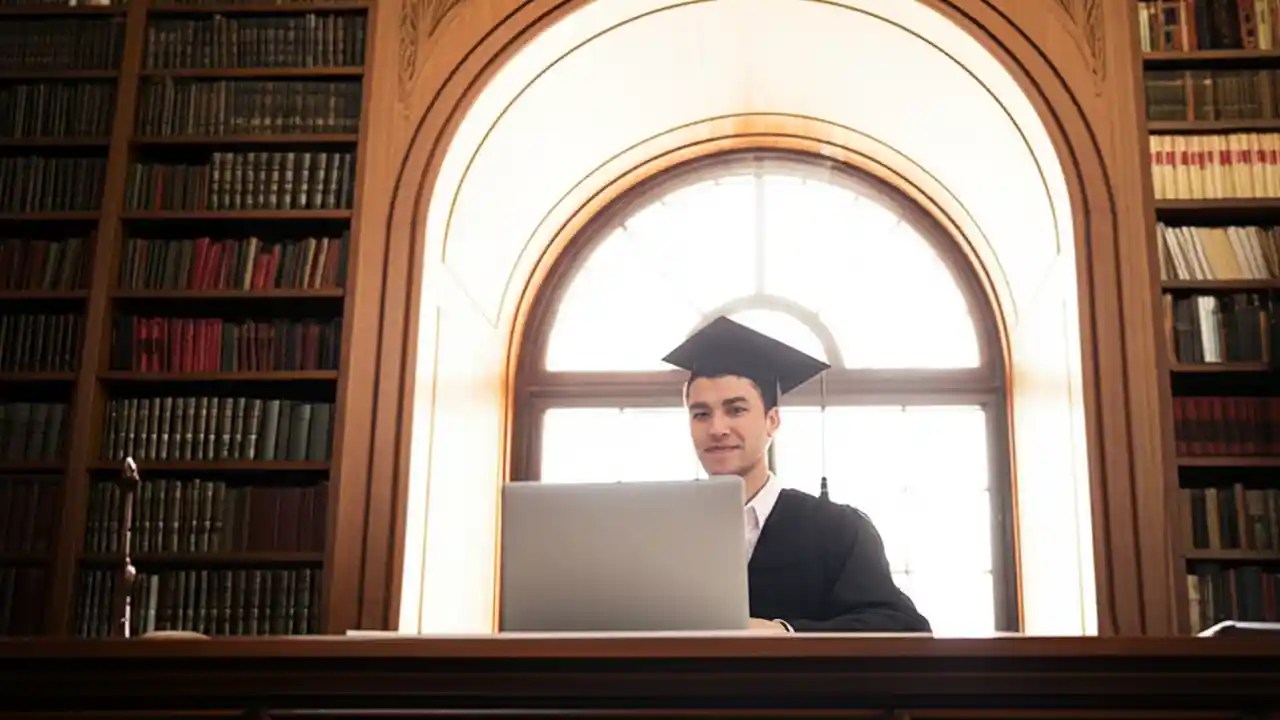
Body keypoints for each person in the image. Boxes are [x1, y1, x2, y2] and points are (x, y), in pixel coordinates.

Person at [662, 315, 931, 634]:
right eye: (701, 414)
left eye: (736, 410)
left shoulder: (836, 530)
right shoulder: (665, 534)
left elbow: (901, 626)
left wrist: (784, 632)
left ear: (772, 421)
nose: (717, 428)